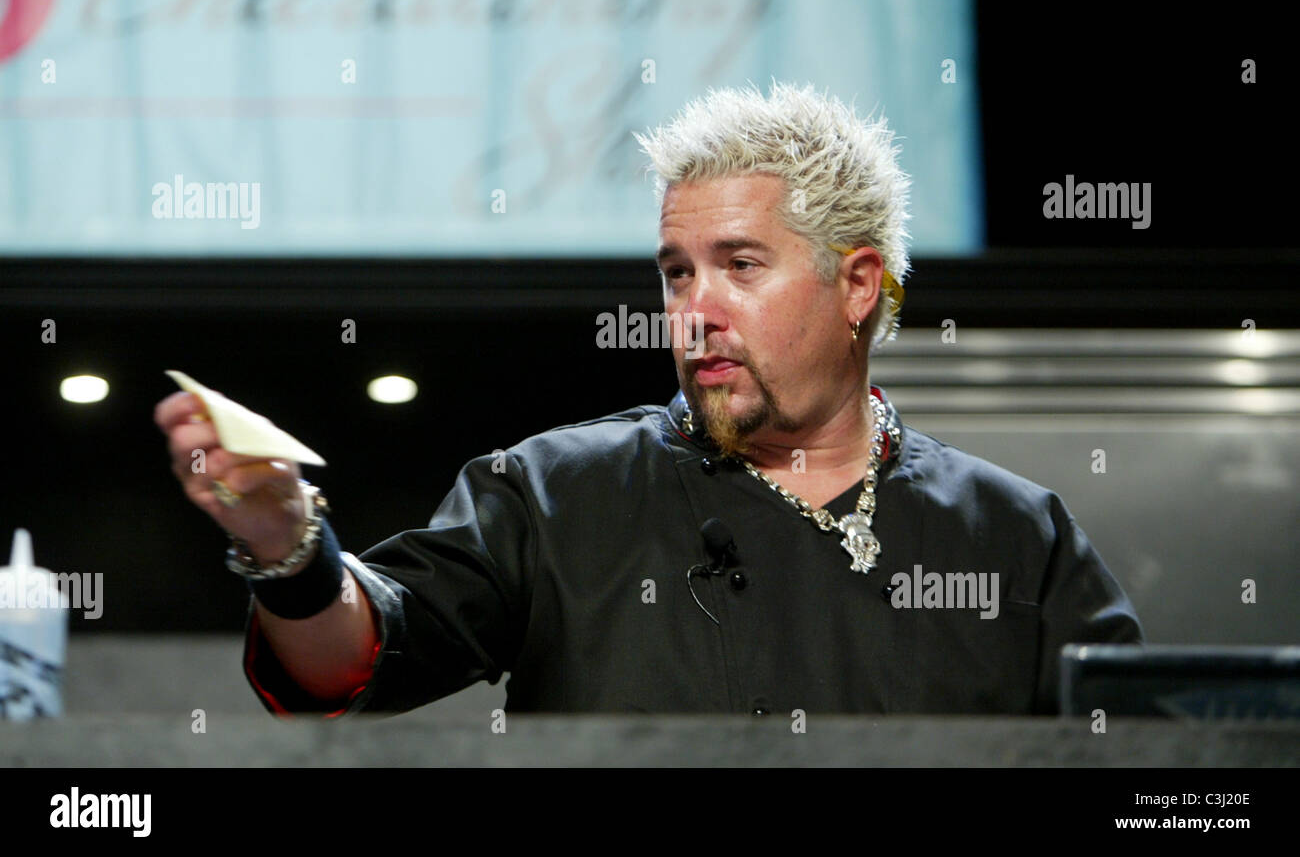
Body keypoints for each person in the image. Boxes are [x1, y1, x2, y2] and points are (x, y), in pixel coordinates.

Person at [154, 81, 1143, 717]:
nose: (694, 311)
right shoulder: (552, 495)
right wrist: (287, 550)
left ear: (855, 284)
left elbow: (1169, 778)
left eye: (740, 265)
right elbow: (354, 659)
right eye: (676, 273)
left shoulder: (1018, 538)